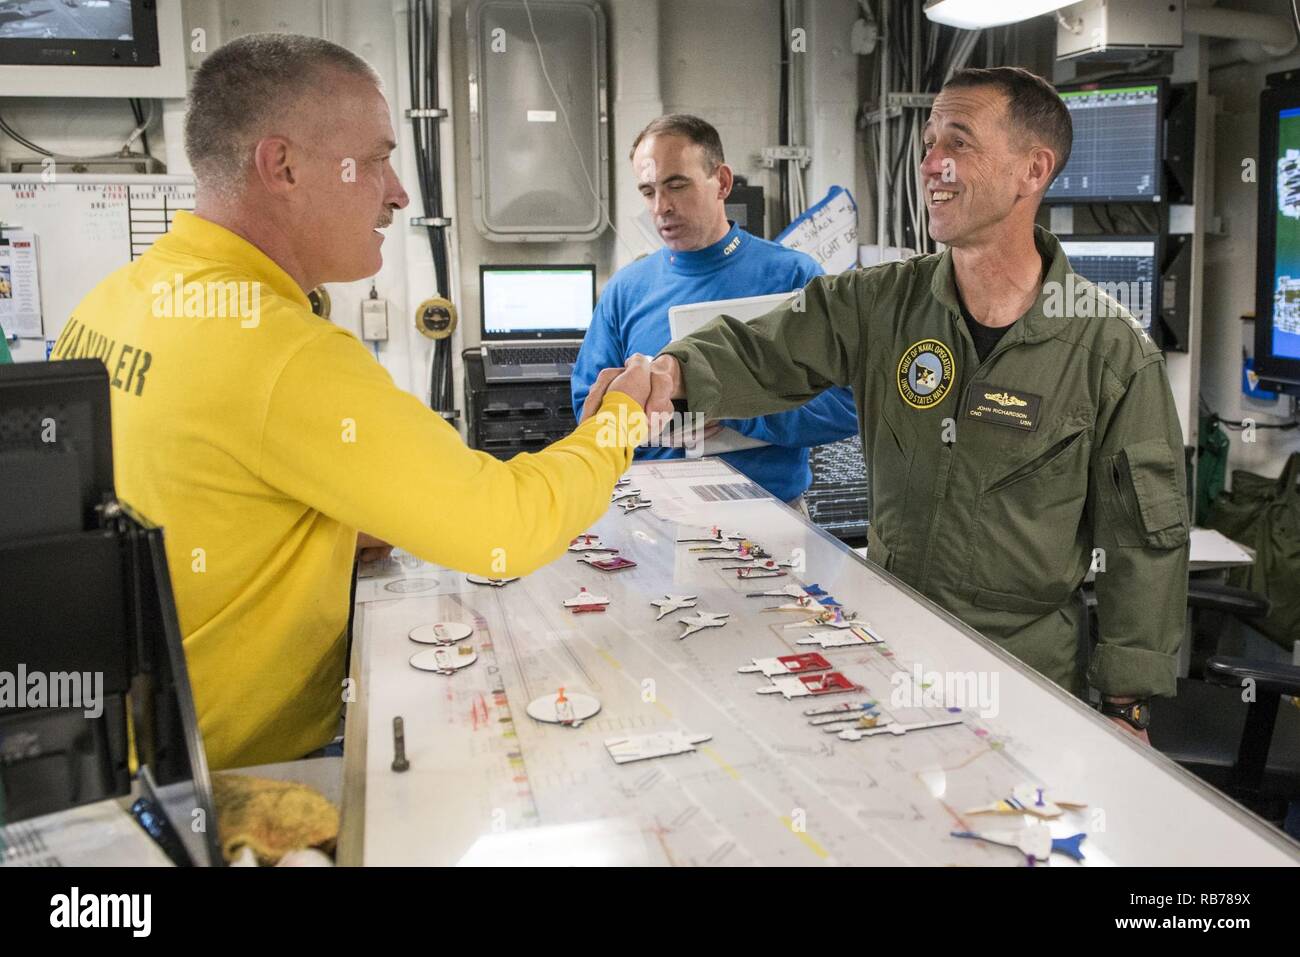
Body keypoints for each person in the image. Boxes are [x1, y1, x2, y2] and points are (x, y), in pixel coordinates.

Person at [50, 33, 659, 769]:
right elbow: (505, 527)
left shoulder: (116, 299)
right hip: (236, 781)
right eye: (375, 161)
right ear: (283, 166)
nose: (399, 191)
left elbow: (198, 492)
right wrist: (620, 419)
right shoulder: (278, 349)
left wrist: (324, 530)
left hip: (114, 757)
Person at [644, 67, 1189, 741]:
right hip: (890, 653)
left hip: (1028, 681)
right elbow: (768, 349)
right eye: (928, 143)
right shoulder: (882, 304)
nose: (930, 164)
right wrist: (671, 373)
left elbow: (1144, 546)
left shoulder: (1110, 351)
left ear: (1032, 170)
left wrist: (1126, 705)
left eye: (956, 142)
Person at [572, 114, 857, 507]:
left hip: (771, 515)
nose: (661, 207)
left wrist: (734, 406)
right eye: (648, 191)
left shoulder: (793, 277)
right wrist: (647, 416)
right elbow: (586, 403)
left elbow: (845, 406)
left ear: (722, 182)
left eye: (676, 185)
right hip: (651, 512)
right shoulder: (626, 289)